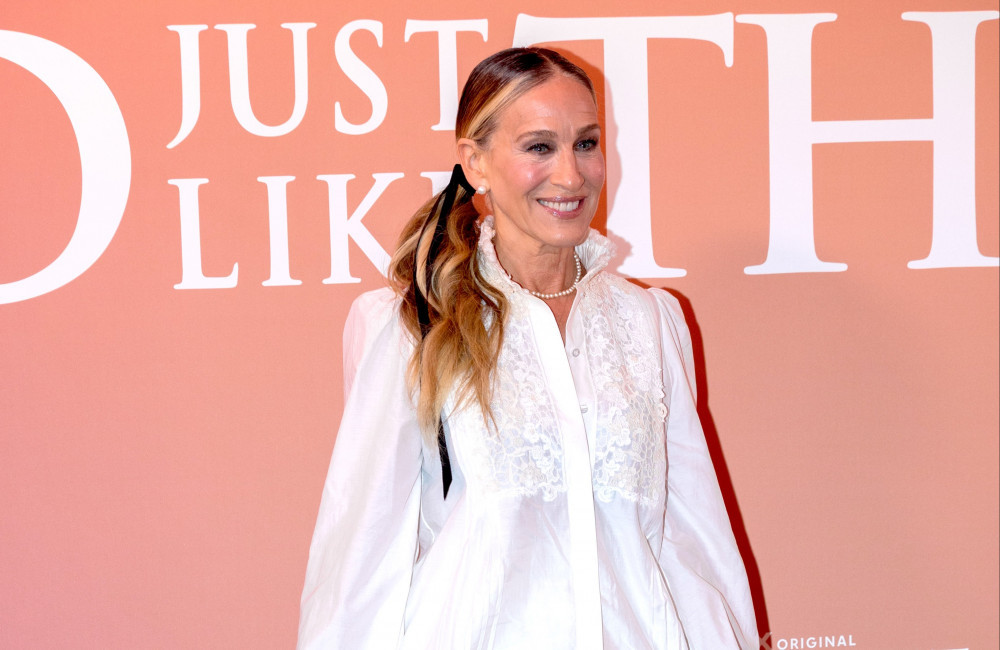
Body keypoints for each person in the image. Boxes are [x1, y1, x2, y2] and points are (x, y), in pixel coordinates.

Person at [297, 47, 757, 650]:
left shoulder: (650, 321)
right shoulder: (411, 324)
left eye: (586, 143)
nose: (571, 175)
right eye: (539, 147)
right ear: (475, 162)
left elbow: (694, 542)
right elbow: (362, 557)